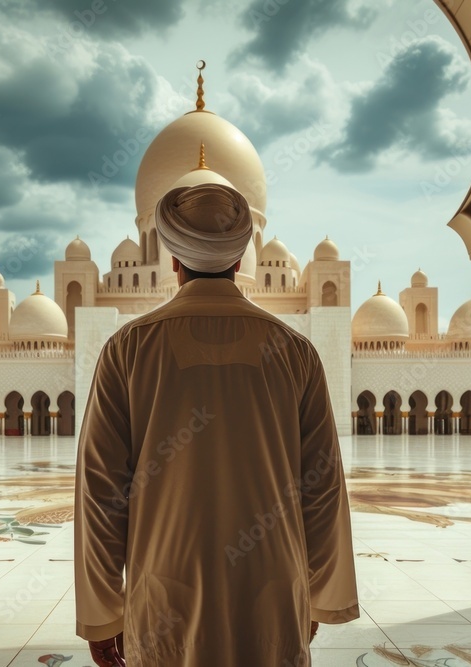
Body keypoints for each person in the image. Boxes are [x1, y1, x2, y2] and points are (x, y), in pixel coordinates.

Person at [74, 182, 358, 666]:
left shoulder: (129, 349)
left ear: (172, 260)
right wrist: (319, 596)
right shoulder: (295, 352)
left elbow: (100, 491)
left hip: (165, 594)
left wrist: (102, 615)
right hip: (273, 589)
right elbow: (324, 485)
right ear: (243, 255)